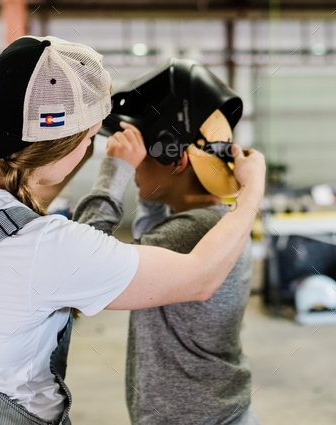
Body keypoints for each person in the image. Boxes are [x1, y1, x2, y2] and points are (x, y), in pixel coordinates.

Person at [0, 37, 265, 425]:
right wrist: (252, 194)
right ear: (59, 146)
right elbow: (199, 277)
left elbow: (20, 185)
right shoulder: (41, 249)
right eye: (87, 141)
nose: (90, 150)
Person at [74, 59, 261, 424]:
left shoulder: (183, 235)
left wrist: (116, 171)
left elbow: (76, 270)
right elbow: (150, 235)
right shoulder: (218, 222)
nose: (135, 163)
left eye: (142, 153)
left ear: (175, 160)